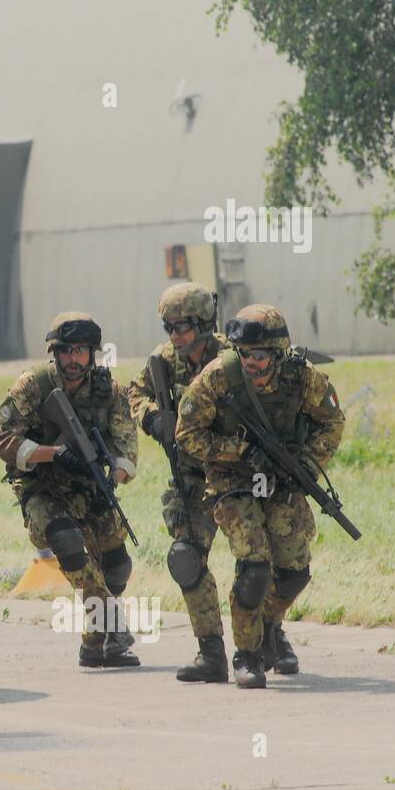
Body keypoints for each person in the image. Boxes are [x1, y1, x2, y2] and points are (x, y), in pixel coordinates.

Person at [176, 304, 345, 688]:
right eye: (245, 355)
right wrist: (238, 450)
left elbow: (332, 422)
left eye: (260, 356)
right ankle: (247, 656)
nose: (251, 363)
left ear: (279, 353)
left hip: (282, 482)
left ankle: (268, 624)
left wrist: (303, 463)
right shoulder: (219, 376)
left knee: (293, 572)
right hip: (232, 480)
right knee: (253, 567)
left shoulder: (301, 377)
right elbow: (186, 434)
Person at [0, 312, 140, 669]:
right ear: (54, 353)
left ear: (93, 354)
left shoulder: (111, 391)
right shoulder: (33, 386)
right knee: (67, 542)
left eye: (82, 351)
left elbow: (127, 449)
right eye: (67, 351)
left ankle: (95, 645)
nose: (74, 360)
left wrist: (113, 477)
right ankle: (112, 623)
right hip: (40, 486)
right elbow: (5, 443)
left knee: (117, 567)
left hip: (89, 485)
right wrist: (54, 454)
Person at [127, 283, 230, 682]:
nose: (174, 336)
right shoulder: (165, 360)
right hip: (191, 478)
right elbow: (134, 393)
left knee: (261, 565)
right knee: (186, 559)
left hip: (238, 474)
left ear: (204, 324)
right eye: (168, 327)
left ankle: (272, 639)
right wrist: (153, 416)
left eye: (182, 327)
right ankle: (212, 654)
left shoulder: (231, 360)